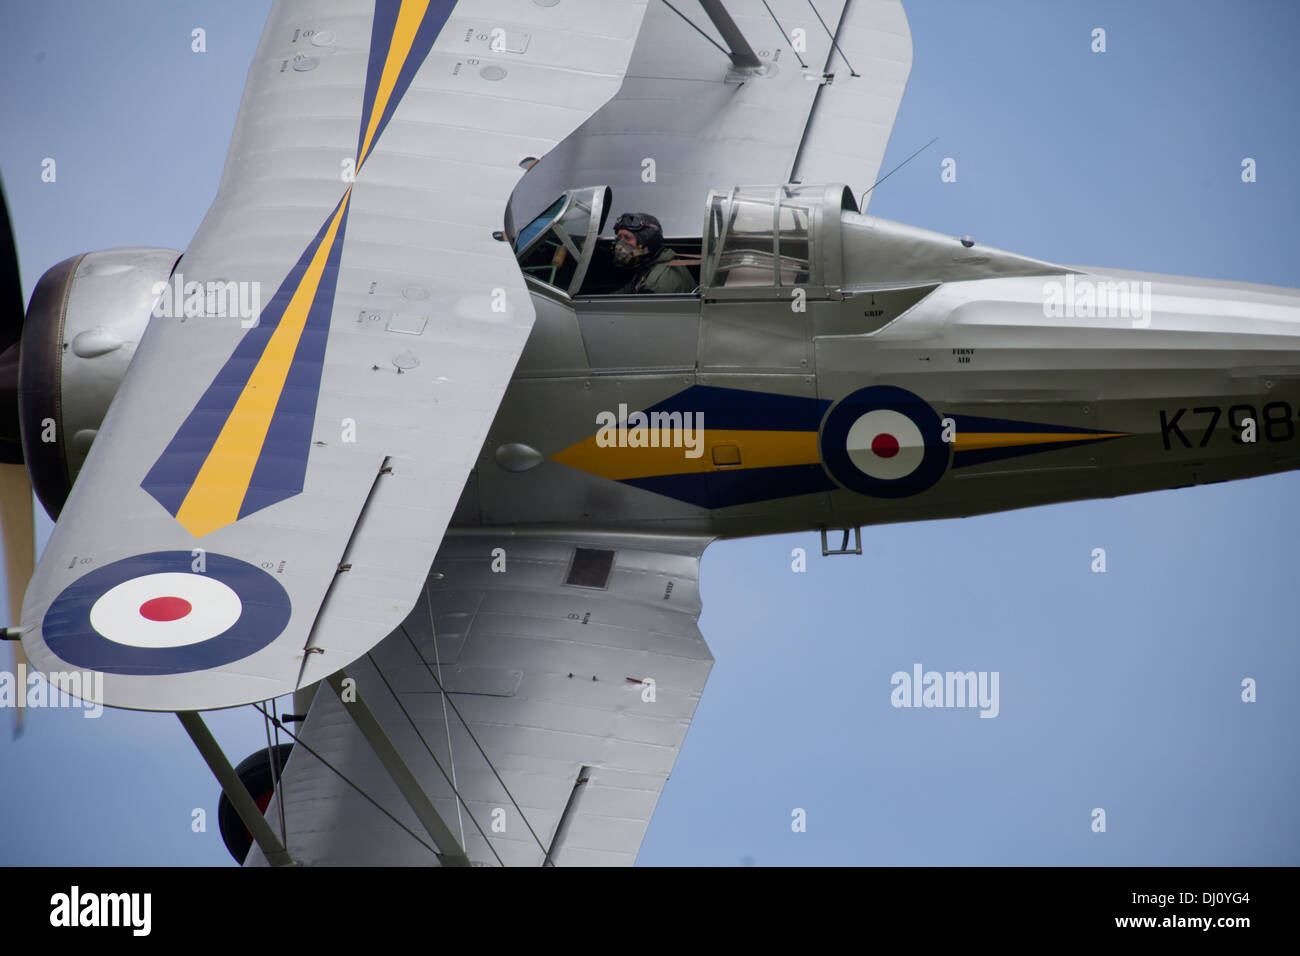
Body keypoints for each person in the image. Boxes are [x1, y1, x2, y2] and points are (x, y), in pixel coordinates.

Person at [611, 212, 696, 294]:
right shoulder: (652, 264)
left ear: (647, 243)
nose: (620, 244)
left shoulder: (654, 286)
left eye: (627, 238)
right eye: (619, 238)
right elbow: (627, 292)